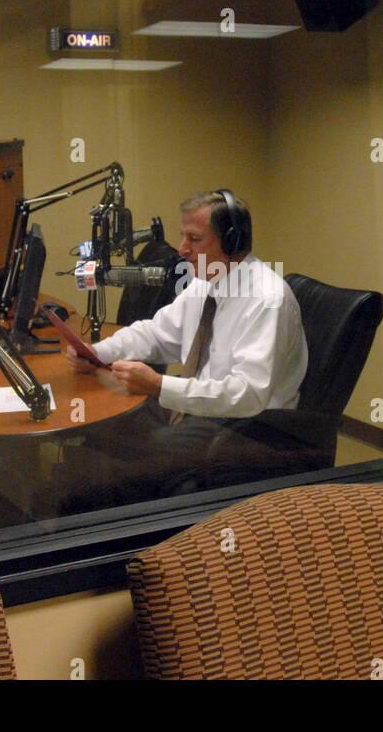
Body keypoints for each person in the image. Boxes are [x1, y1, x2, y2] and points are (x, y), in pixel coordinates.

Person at [61, 189, 307, 505]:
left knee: (134, 458)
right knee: (110, 425)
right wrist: (99, 352)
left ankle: (104, 521)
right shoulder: (206, 283)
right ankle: (91, 509)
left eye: (194, 238)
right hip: (201, 408)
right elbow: (157, 334)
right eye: (182, 237)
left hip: (246, 427)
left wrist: (159, 384)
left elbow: (248, 395)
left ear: (232, 241)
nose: (182, 249)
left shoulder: (266, 300)